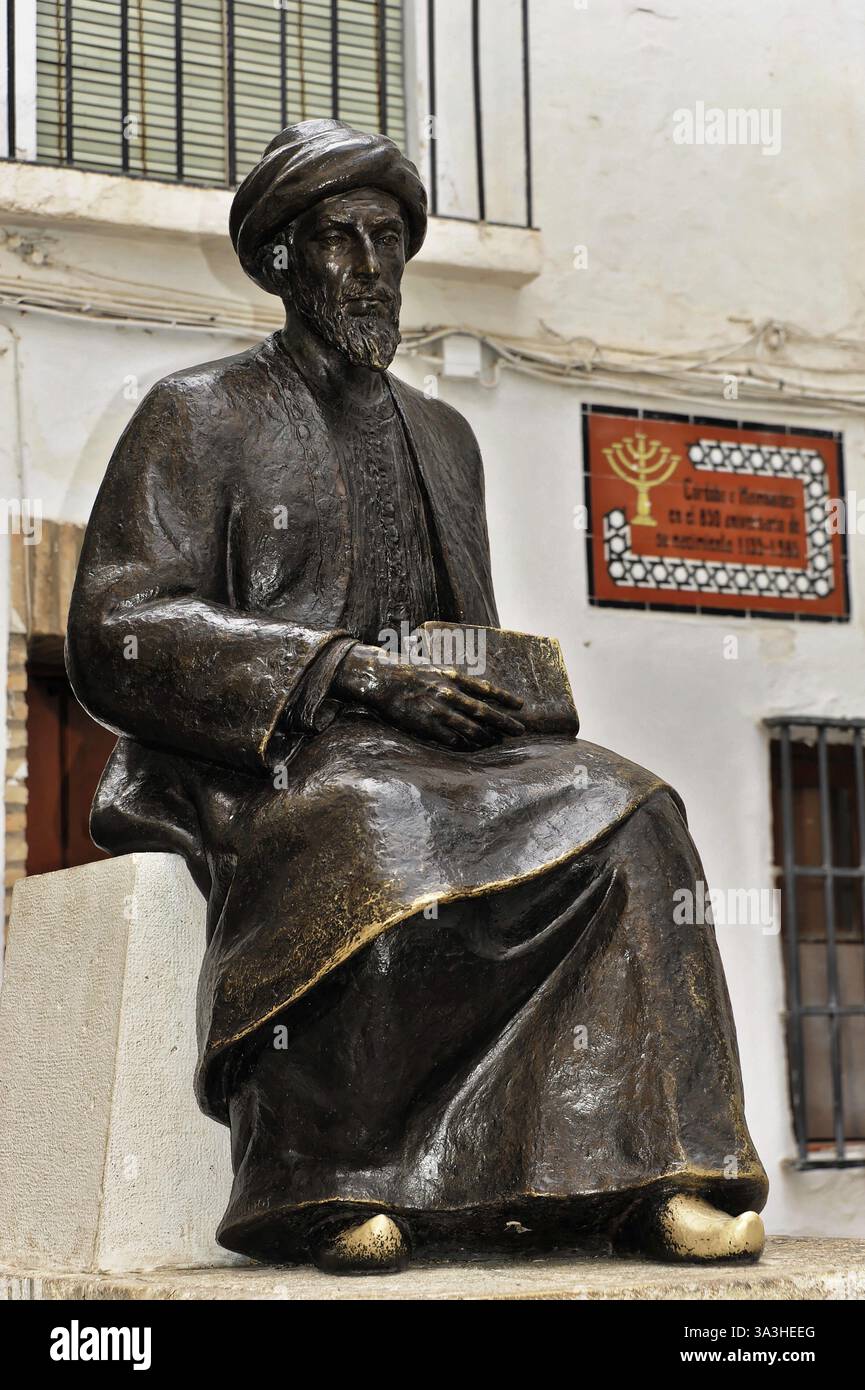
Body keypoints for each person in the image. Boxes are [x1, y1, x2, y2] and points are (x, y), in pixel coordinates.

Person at [66, 119, 767, 1273]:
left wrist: (491, 691)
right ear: (283, 263)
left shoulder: (445, 438)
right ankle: (322, 1180)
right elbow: (119, 629)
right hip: (281, 754)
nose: (368, 266)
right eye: (338, 241)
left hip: (440, 746)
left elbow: (464, 627)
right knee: (374, 825)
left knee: (636, 809)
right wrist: (344, 672)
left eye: (386, 239)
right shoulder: (198, 413)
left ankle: (647, 1172)